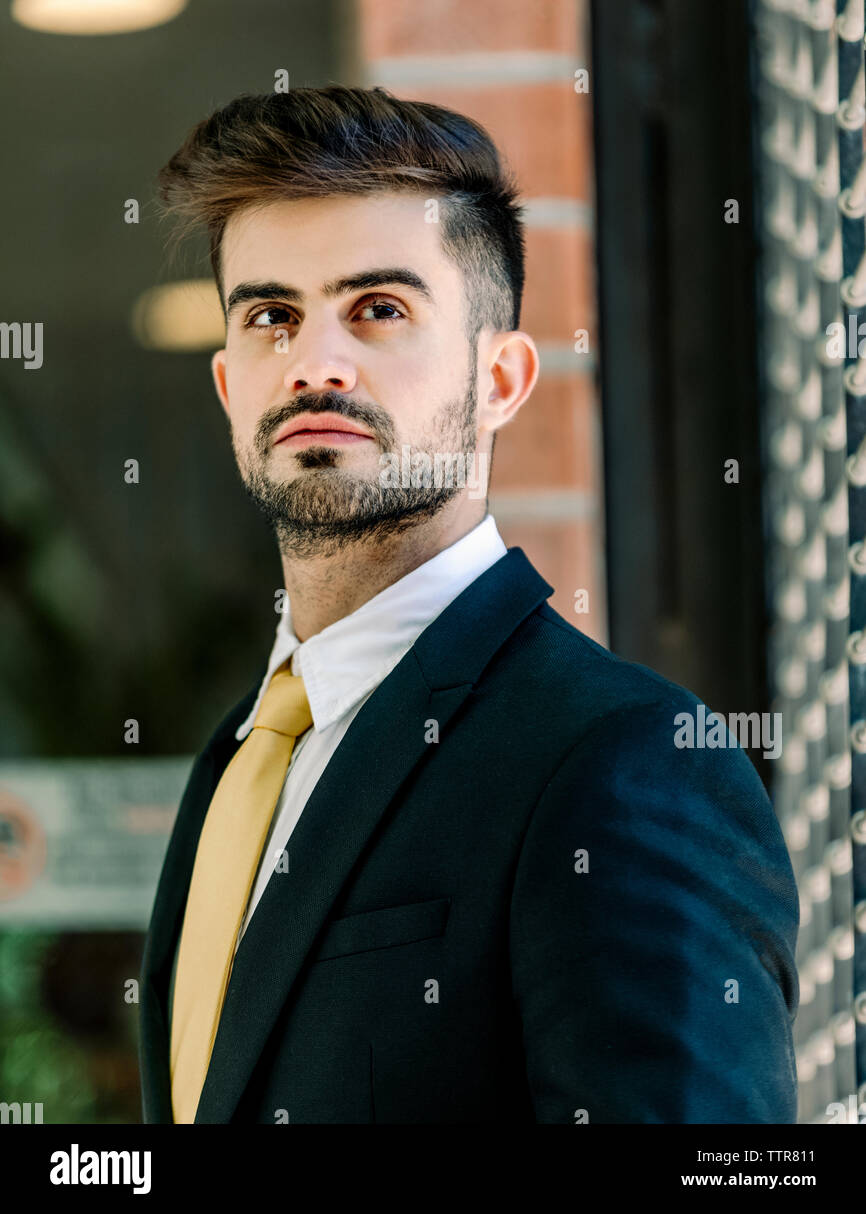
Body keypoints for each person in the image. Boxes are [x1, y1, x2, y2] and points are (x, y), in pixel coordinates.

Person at [139, 85, 799, 1124]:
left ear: (500, 376)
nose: (315, 362)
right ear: (229, 386)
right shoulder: (236, 759)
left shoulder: (623, 759)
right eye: (272, 316)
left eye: (379, 310)